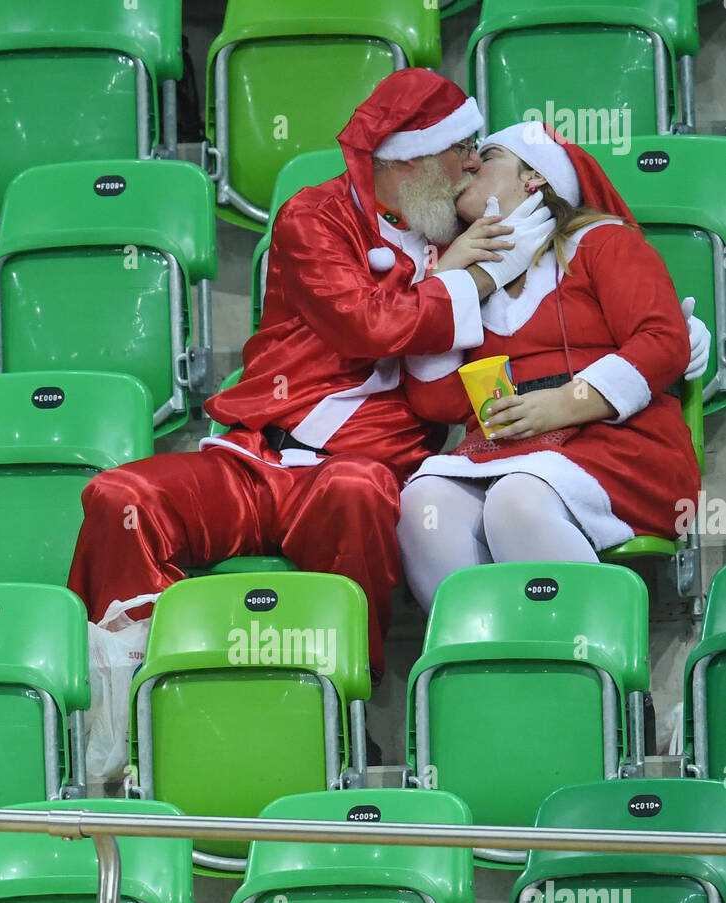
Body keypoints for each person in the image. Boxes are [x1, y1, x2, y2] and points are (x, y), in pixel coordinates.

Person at [67, 70, 556, 679]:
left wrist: (664, 336)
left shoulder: (463, 228)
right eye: (459, 149)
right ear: (411, 160)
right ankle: (145, 694)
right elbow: (366, 324)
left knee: (357, 492)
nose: (471, 164)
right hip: (255, 461)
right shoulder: (315, 216)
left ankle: (340, 709)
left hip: (358, 469)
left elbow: (571, 208)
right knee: (120, 498)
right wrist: (464, 280)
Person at [396, 122, 706, 611]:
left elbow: (663, 342)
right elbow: (437, 401)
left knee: (517, 500)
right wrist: (446, 284)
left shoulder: (604, 242)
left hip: (621, 441)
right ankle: (481, 667)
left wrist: (566, 402)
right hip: (510, 448)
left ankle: (583, 664)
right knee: (423, 504)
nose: (470, 163)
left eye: (490, 155)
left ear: (533, 179)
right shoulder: (475, 279)